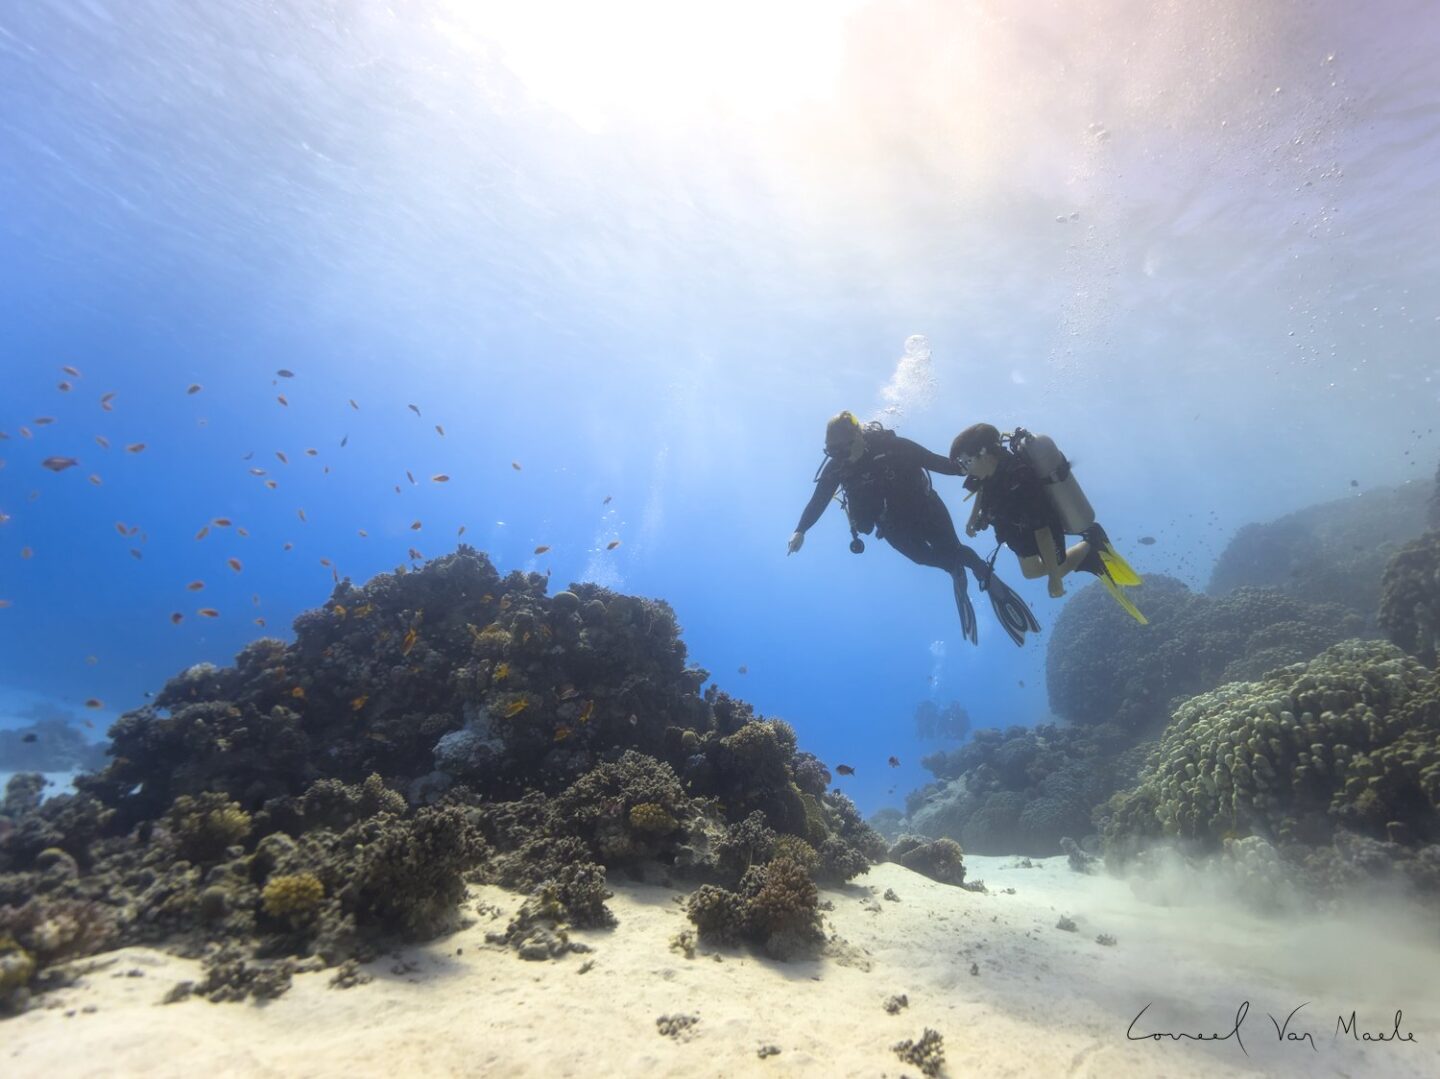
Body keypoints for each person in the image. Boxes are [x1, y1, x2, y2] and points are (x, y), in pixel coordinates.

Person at [789, 411, 1040, 646]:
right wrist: (800, 530)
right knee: (922, 558)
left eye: (842, 452)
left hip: (927, 508)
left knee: (952, 549)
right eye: (833, 454)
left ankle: (976, 566)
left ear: (858, 437)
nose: (839, 459)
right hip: (892, 525)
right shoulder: (837, 467)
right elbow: (818, 500)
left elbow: (940, 464)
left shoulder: (893, 447)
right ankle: (954, 567)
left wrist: (991, 459)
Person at [949, 423, 1146, 623]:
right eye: (961, 465)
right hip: (1015, 529)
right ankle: (1080, 554)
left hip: (1041, 528)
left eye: (965, 462)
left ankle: (1091, 544)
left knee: (1055, 569)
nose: (965, 471)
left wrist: (1055, 579)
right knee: (1031, 572)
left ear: (983, 452)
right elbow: (983, 489)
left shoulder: (1019, 478)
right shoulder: (988, 471)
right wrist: (973, 517)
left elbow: (1042, 531)